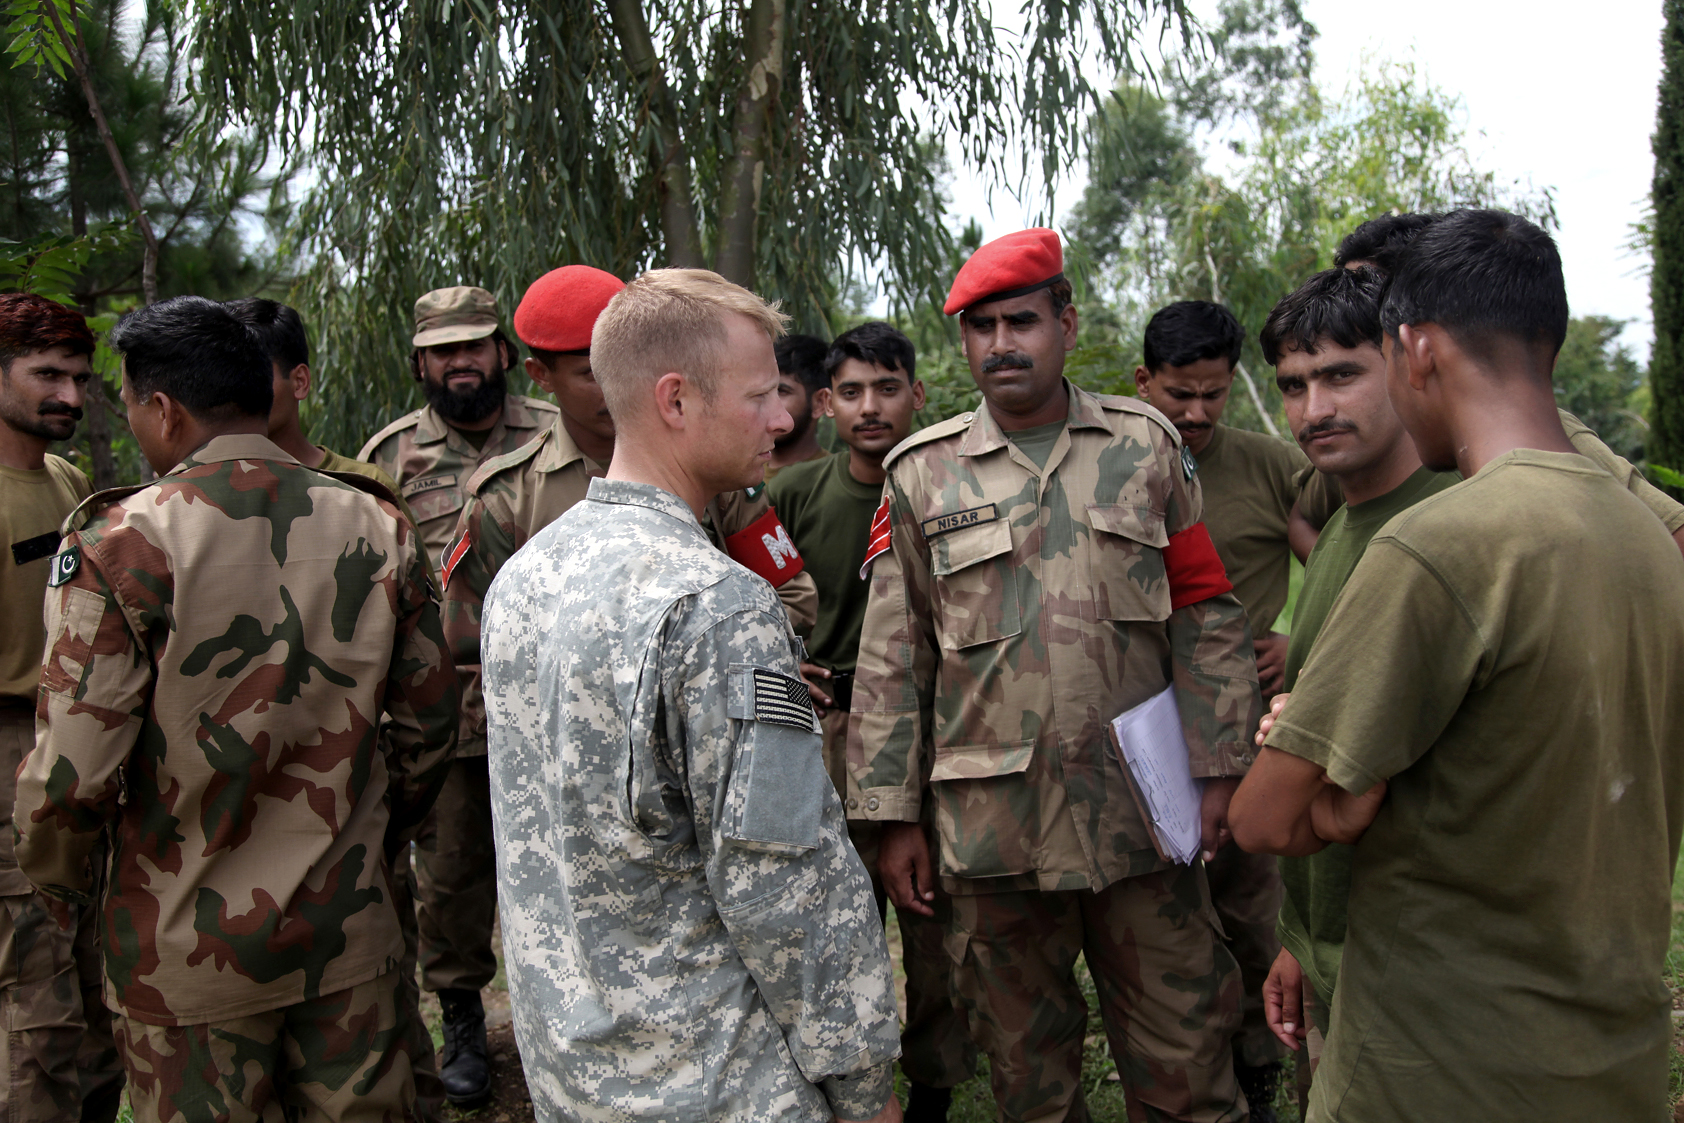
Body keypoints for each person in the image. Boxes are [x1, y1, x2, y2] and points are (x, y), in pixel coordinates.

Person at [1231, 209, 1684, 1120]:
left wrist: (1330, 795)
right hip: (1608, 1049)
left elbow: (1264, 816)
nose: (1319, 405)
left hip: (1440, 1059)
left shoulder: (1440, 544)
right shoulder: (1648, 534)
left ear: (1418, 350)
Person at [850, 228, 1261, 1123]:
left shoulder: (1145, 445)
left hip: (1142, 818)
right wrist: (890, 818)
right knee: (1027, 1075)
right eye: (982, 326)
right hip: (992, 829)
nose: (1002, 343)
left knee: (1187, 1054)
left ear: (1066, 325)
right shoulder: (922, 474)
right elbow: (894, 654)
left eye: (1023, 321)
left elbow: (1204, 612)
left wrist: (1223, 761)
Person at [16, 296, 460, 1122]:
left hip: (181, 949)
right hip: (349, 933)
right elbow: (430, 726)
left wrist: (67, 889)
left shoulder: (121, 544)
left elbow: (70, 778)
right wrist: (374, 832)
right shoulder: (379, 522)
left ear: (162, 409)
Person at [481, 268, 902, 1122]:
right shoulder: (718, 605)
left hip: (574, 1070)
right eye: (760, 396)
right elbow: (785, 883)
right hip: (718, 1079)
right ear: (676, 400)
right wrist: (863, 1080)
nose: (785, 418)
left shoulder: (525, 578)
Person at [225, 294, 447, 1120]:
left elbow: (419, 689)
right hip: (222, 809)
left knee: (376, 1005)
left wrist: (389, 807)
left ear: (300, 380)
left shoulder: (366, 499)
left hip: (346, 801)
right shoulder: (177, 506)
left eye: (255, 371)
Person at [1251, 265, 1460, 1115]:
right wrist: (1302, 941)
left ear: (1408, 364)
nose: (1314, 410)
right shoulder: (1339, 528)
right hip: (1340, 937)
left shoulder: (1455, 522)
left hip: (1424, 958)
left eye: (1342, 375)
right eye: (1294, 386)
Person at [1131, 299, 1334, 1120]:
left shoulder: (1271, 464)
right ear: (1144, 382)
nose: (1197, 412)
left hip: (1245, 731)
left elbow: (1341, 560)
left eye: (1215, 393)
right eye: (1180, 393)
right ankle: (1187, 1067)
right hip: (1144, 724)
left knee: (1252, 908)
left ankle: (1256, 1065)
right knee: (1164, 920)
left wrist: (1296, 636)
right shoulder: (1116, 459)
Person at [768, 322, 975, 1123]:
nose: (871, 406)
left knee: (931, 919)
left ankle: (934, 1084)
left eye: (889, 388)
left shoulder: (944, 484)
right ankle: (840, 1080)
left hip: (925, 728)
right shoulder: (792, 494)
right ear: (825, 403)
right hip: (821, 729)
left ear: (918, 395)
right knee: (828, 915)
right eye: (851, 391)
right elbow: (757, 596)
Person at [358, 284, 556, 1104]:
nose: (463, 362)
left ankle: (562, 1017)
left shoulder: (556, 436)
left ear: (504, 353)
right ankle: (465, 1016)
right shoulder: (392, 457)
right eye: (444, 351)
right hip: (454, 707)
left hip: (555, 702)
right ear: (420, 364)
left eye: (477, 344)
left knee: (564, 862)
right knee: (451, 872)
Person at [1337, 210, 1684, 557]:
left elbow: (1672, 533)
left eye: (1372, 302)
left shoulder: (1535, 435)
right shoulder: (1350, 436)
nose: (1347, 315)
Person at [0, 293, 123, 1123]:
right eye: (47, 375)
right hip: (9, 745)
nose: (70, 397)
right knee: (35, 1003)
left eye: (79, 378)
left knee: (94, 993)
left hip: (69, 738)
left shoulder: (64, 478)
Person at [766, 332, 831, 479]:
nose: (767, 404)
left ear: (820, 403)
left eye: (781, 391)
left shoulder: (834, 482)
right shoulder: (734, 479)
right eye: (762, 392)